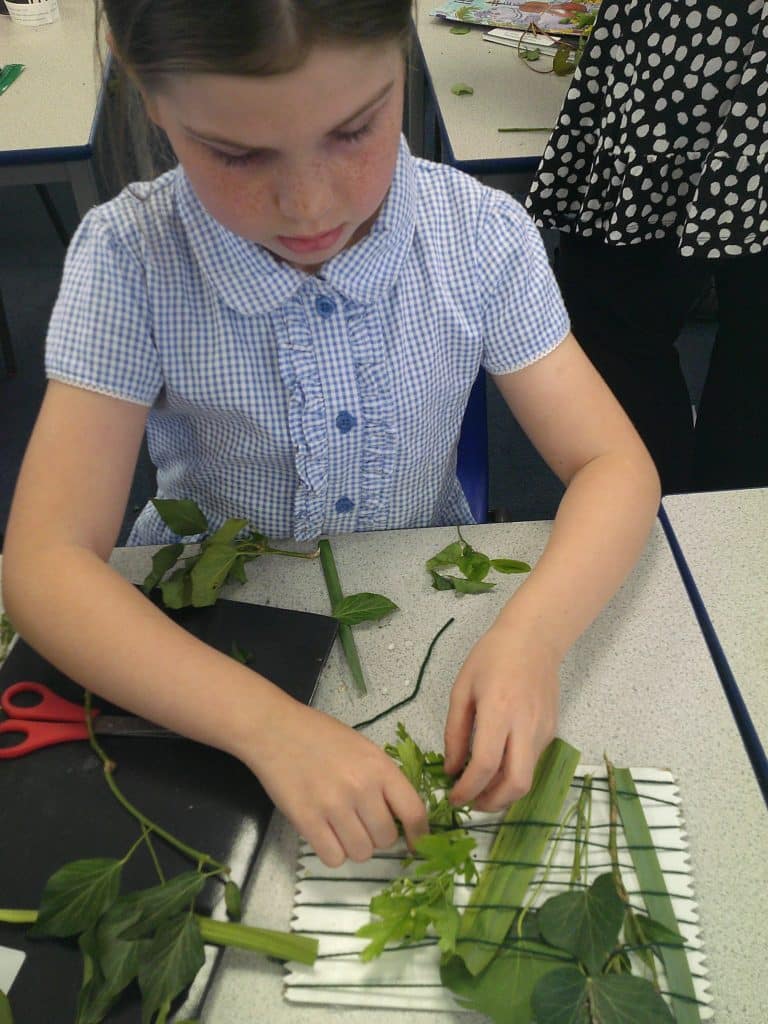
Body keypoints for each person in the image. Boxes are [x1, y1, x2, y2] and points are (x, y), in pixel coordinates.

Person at [2, 0, 659, 869]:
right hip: (195, 642)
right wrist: (270, 728)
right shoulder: (128, 260)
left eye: (355, 130)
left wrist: (532, 637)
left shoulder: (478, 236)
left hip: (423, 610)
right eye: (236, 153)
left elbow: (615, 465)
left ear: (404, 62)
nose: (309, 203)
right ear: (149, 96)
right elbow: (44, 567)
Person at [526, 0, 768, 495]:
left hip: (694, 46)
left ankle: (662, 521)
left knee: (615, 316)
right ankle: (705, 526)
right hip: (699, 44)